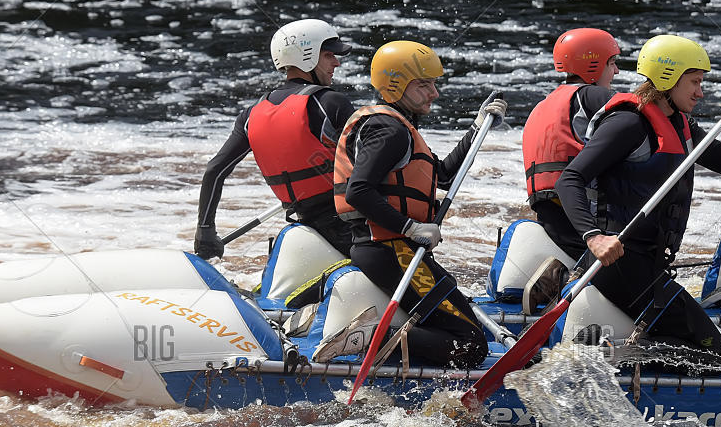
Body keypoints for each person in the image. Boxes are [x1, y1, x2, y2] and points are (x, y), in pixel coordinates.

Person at [552, 35, 721, 359]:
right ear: (668, 79)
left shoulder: (681, 123)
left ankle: (622, 351)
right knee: (715, 354)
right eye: (694, 82)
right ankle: (611, 357)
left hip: (648, 265)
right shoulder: (628, 123)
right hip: (619, 263)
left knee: (709, 349)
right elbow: (570, 179)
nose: (700, 92)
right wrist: (594, 238)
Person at [331, 40, 507, 369]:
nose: (435, 93)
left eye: (434, 84)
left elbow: (440, 176)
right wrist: (410, 227)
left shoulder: (399, 127)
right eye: (425, 85)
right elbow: (358, 191)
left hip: (393, 250)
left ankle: (391, 353)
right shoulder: (389, 131)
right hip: (390, 249)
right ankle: (373, 336)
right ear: (396, 84)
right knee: (471, 345)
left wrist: (476, 128)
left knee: (461, 326)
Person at [194, 19, 354, 261]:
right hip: (347, 228)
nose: (336, 62)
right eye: (329, 55)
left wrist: (205, 231)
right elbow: (372, 164)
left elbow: (215, 170)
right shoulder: (330, 102)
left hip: (302, 224)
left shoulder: (251, 114)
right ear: (306, 57)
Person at [522, 28, 623, 261]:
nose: (616, 71)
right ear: (594, 65)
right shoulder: (591, 96)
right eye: (612, 63)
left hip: (551, 216)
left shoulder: (541, 105)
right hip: (582, 214)